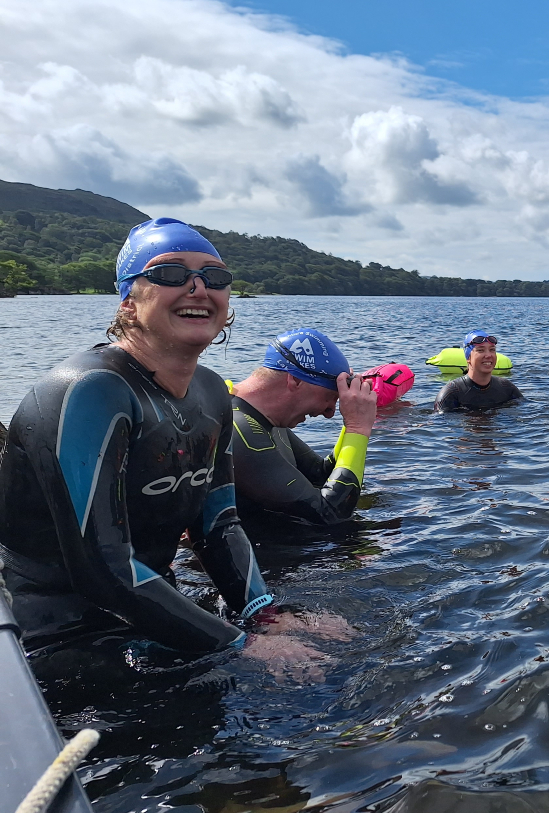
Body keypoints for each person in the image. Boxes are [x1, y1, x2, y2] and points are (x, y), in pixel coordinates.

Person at [0, 218, 327, 670]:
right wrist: (242, 646)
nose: (198, 288)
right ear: (129, 301)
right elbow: (102, 568)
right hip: (54, 634)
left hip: (145, 611)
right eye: (170, 274)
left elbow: (218, 524)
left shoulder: (212, 393)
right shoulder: (90, 391)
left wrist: (265, 616)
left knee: (332, 655)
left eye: (214, 277)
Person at [228, 328, 378, 532]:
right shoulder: (236, 429)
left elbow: (320, 475)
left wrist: (350, 423)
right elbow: (330, 513)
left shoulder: (264, 421)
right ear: (295, 380)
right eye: (330, 397)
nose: (329, 413)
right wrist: (358, 428)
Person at [435, 330, 523, 411]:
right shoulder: (451, 393)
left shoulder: (506, 388)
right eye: (480, 350)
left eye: (492, 350)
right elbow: (438, 423)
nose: (488, 355)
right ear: (468, 357)